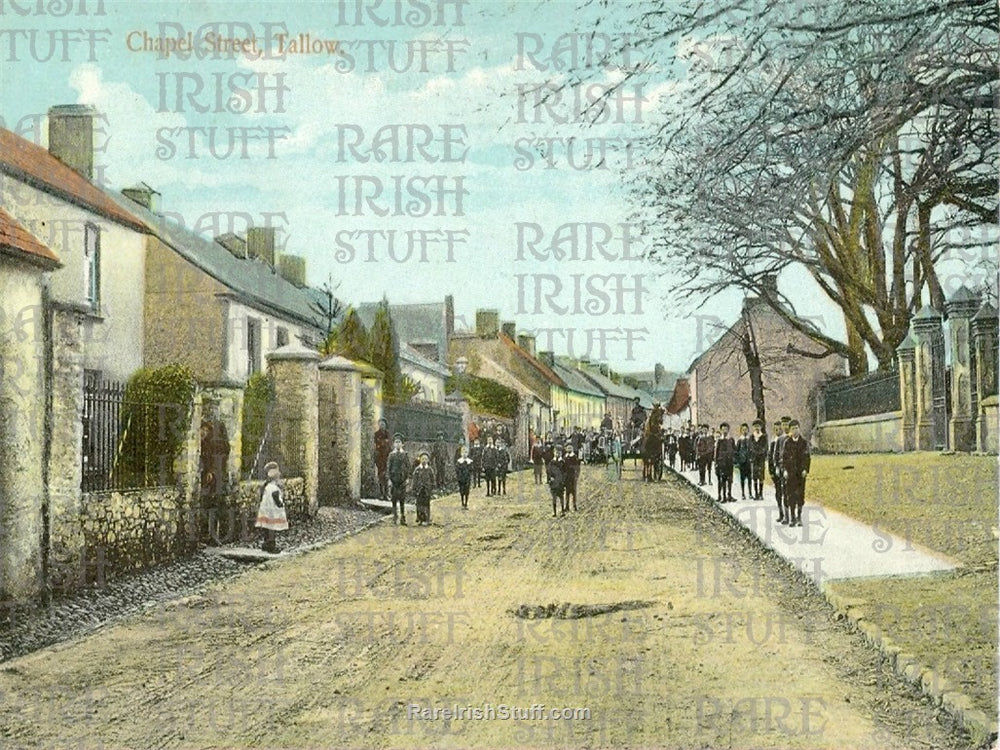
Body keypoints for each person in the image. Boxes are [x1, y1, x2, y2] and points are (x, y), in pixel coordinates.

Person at [199, 417, 231, 542]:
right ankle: (212, 535)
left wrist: (211, 471)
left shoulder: (214, 443)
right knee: (213, 505)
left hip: (215, 477)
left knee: (213, 505)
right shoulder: (212, 443)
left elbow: (215, 458)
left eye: (206, 430)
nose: (203, 432)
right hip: (216, 476)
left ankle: (213, 535)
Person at [781, 420, 811, 527]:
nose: (795, 431)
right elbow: (784, 458)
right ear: (790, 430)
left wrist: (805, 469)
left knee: (800, 495)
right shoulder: (787, 443)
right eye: (793, 429)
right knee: (791, 495)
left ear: (799, 429)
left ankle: (799, 517)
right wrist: (785, 470)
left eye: (797, 428)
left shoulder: (804, 443)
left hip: (800, 473)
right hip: (790, 474)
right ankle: (792, 518)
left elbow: (807, 457)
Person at [255, 461, 287, 553]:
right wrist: (280, 504)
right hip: (272, 512)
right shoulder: (274, 487)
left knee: (266, 527)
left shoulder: (266, 486)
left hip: (265, 510)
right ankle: (271, 546)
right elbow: (276, 498)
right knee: (272, 528)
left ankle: (266, 544)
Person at [772, 417, 792, 524]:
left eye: (787, 424)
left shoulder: (794, 439)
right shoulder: (780, 439)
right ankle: (786, 516)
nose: (785, 427)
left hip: (793, 469)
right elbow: (775, 455)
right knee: (784, 492)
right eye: (783, 425)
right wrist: (776, 467)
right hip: (783, 469)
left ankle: (794, 516)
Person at [387, 434, 410, 525]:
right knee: (394, 499)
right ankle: (394, 516)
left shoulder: (405, 454)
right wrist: (389, 479)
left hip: (402, 480)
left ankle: (403, 517)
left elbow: (408, 467)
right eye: (396, 442)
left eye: (399, 442)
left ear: (402, 444)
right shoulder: (391, 455)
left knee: (402, 499)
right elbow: (388, 467)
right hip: (394, 480)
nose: (397, 444)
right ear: (393, 444)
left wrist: (407, 478)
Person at [412, 451, 435, 525]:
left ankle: (426, 519)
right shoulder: (417, 470)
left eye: (425, 459)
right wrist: (414, 489)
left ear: (428, 460)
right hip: (419, 490)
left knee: (426, 504)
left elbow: (432, 480)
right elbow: (414, 480)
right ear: (420, 460)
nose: (424, 460)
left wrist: (432, 487)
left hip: (427, 489)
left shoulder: (430, 470)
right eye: (422, 459)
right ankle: (420, 518)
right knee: (419, 504)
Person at [714, 423, 736, 502]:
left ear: (728, 430)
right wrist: (716, 463)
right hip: (721, 463)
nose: (725, 431)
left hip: (729, 463)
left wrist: (734, 459)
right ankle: (722, 496)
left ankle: (729, 495)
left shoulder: (731, 440)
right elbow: (716, 453)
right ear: (721, 430)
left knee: (729, 480)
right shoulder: (719, 440)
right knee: (722, 480)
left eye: (726, 429)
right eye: (723, 429)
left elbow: (734, 450)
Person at [749, 420, 768, 501]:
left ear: (761, 427)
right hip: (754, 459)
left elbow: (765, 447)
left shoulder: (764, 437)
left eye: (758, 426)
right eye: (755, 426)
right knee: (755, 476)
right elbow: (750, 447)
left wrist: (761, 453)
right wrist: (752, 455)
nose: (757, 428)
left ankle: (761, 493)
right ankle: (756, 493)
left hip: (761, 459)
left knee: (761, 476)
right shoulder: (751, 437)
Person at [373, 418, 392, 502]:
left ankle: (387, 494)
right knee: (380, 476)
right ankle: (381, 493)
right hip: (379, 458)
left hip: (387, 457)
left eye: (383, 424)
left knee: (386, 476)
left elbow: (389, 445)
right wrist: (383, 443)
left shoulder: (388, 434)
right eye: (380, 424)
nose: (382, 426)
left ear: (385, 425)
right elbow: (376, 445)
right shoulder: (376, 434)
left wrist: (384, 443)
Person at [547, 445, 566, 516]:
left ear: (561, 453)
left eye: (559, 452)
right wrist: (550, 478)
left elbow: (565, 472)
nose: (557, 454)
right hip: (553, 482)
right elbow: (548, 471)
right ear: (554, 452)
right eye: (556, 452)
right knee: (554, 498)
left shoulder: (563, 462)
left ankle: (562, 511)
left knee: (561, 497)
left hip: (560, 482)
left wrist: (563, 481)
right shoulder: (551, 462)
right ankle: (554, 512)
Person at [734, 423, 751, 500]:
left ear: (748, 430)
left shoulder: (750, 440)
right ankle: (743, 493)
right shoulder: (739, 441)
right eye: (743, 430)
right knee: (742, 479)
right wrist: (737, 462)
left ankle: (750, 493)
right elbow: (736, 452)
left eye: (746, 430)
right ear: (741, 431)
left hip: (749, 462)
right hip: (742, 462)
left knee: (750, 478)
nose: (745, 431)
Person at [563, 442, 581, 511]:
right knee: (567, 492)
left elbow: (577, 468)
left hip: (573, 477)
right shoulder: (565, 457)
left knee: (573, 492)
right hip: (567, 477)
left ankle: (574, 505)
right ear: (566, 449)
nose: (569, 449)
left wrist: (576, 476)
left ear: (572, 449)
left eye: (570, 448)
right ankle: (567, 506)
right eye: (568, 448)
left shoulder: (575, 457)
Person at [455, 445, 473, 509]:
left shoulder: (469, 461)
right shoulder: (459, 461)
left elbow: (471, 470)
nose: (464, 454)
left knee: (467, 491)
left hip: (467, 479)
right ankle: (462, 502)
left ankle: (466, 503)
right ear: (461, 453)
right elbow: (457, 470)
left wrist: (469, 476)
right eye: (463, 452)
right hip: (461, 479)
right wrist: (459, 477)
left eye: (466, 452)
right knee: (462, 491)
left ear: (467, 453)